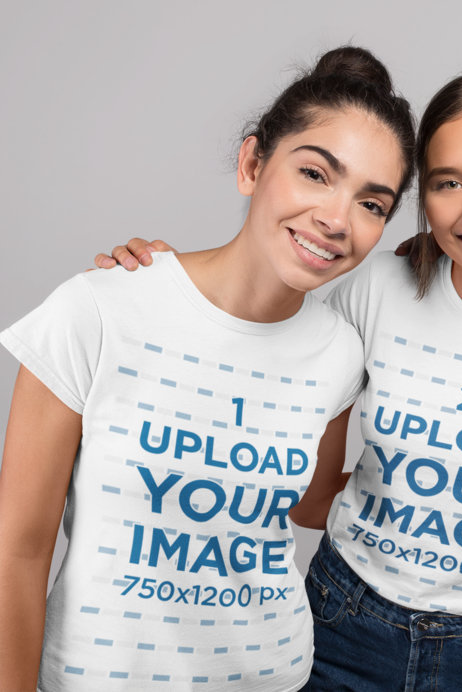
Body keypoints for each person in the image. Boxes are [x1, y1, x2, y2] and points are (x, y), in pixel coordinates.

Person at [95, 69, 462, 691]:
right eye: (447, 183)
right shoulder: (377, 291)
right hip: (342, 620)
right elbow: (267, 353)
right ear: (424, 199)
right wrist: (166, 286)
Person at [0, 46, 415, 691]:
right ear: (253, 164)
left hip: (271, 675)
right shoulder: (101, 310)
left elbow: (307, 506)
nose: (336, 219)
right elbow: (18, 552)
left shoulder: (340, 353)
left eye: (372, 204)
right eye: (314, 173)